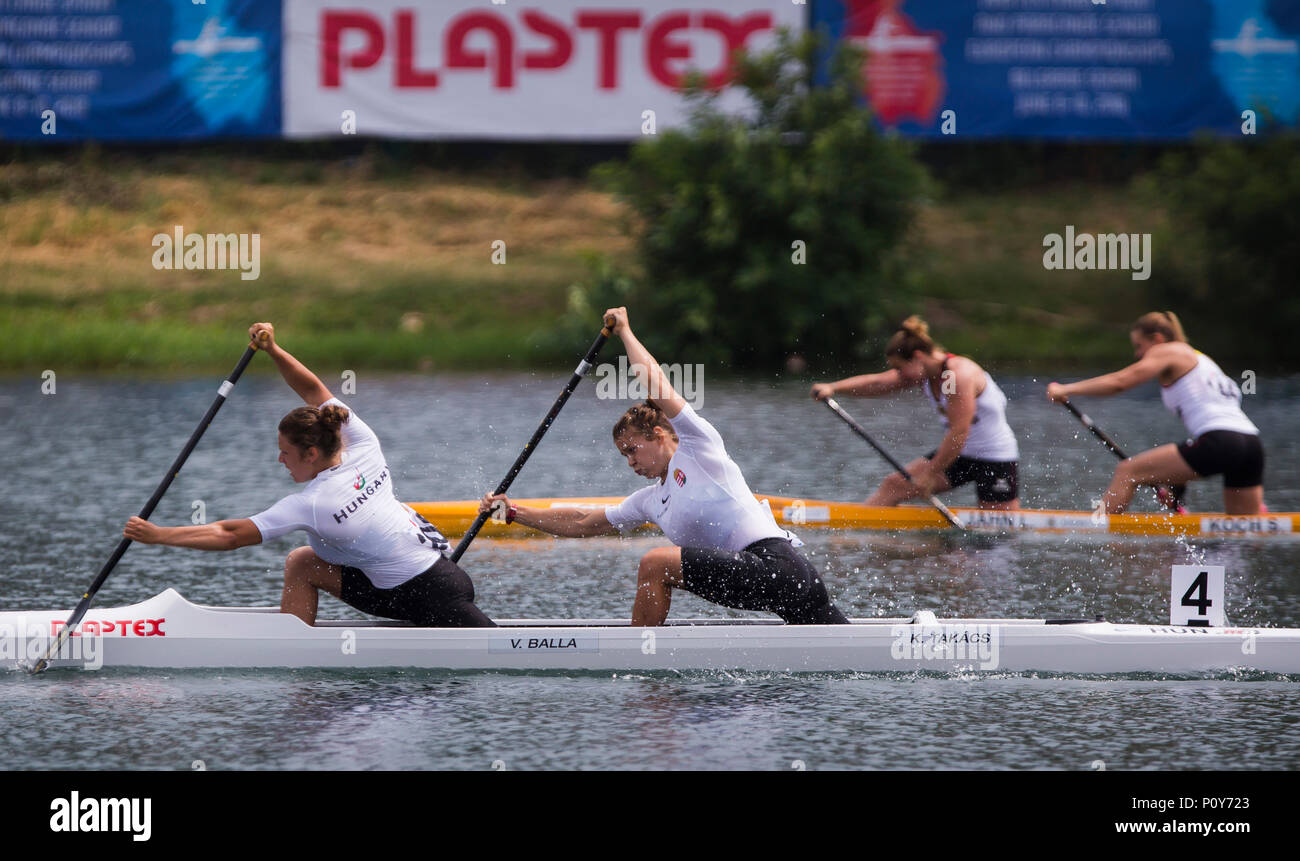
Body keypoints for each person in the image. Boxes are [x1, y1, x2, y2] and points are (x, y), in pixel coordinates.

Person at [479, 307, 848, 627]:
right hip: (764, 583)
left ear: (658, 434)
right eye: (623, 456)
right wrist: (511, 512)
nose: (630, 461)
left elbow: (656, 383)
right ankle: (645, 646)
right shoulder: (651, 500)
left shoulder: (698, 446)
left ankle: (638, 654)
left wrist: (624, 331)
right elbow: (581, 523)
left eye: (632, 449)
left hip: (780, 568)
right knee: (836, 639)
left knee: (656, 563)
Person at [123, 323, 495, 627]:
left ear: (311, 453)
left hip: (425, 597)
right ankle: (294, 640)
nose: (280, 460)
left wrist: (159, 536)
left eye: (286, 453)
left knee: (490, 648)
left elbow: (230, 535)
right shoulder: (361, 440)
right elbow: (312, 389)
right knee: (303, 561)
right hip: (445, 575)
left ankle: (293, 651)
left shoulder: (312, 503)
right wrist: (272, 349)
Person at [1047, 311, 1264, 515]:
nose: (1138, 354)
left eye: (1139, 346)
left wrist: (1066, 389)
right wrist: (1174, 486)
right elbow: (1195, 451)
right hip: (1251, 446)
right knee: (1244, 530)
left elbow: (1119, 383)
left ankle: (1095, 534)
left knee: (1128, 471)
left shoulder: (1169, 351)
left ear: (1157, 339)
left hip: (1220, 441)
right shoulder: (1202, 359)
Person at [810, 315, 1021, 510]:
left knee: (997, 532)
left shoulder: (958, 376)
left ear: (918, 357)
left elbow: (958, 432)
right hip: (959, 456)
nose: (900, 375)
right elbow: (877, 383)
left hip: (995, 458)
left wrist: (929, 474)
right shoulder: (926, 374)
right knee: (893, 486)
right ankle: (857, 534)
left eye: (900, 368)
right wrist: (834, 388)